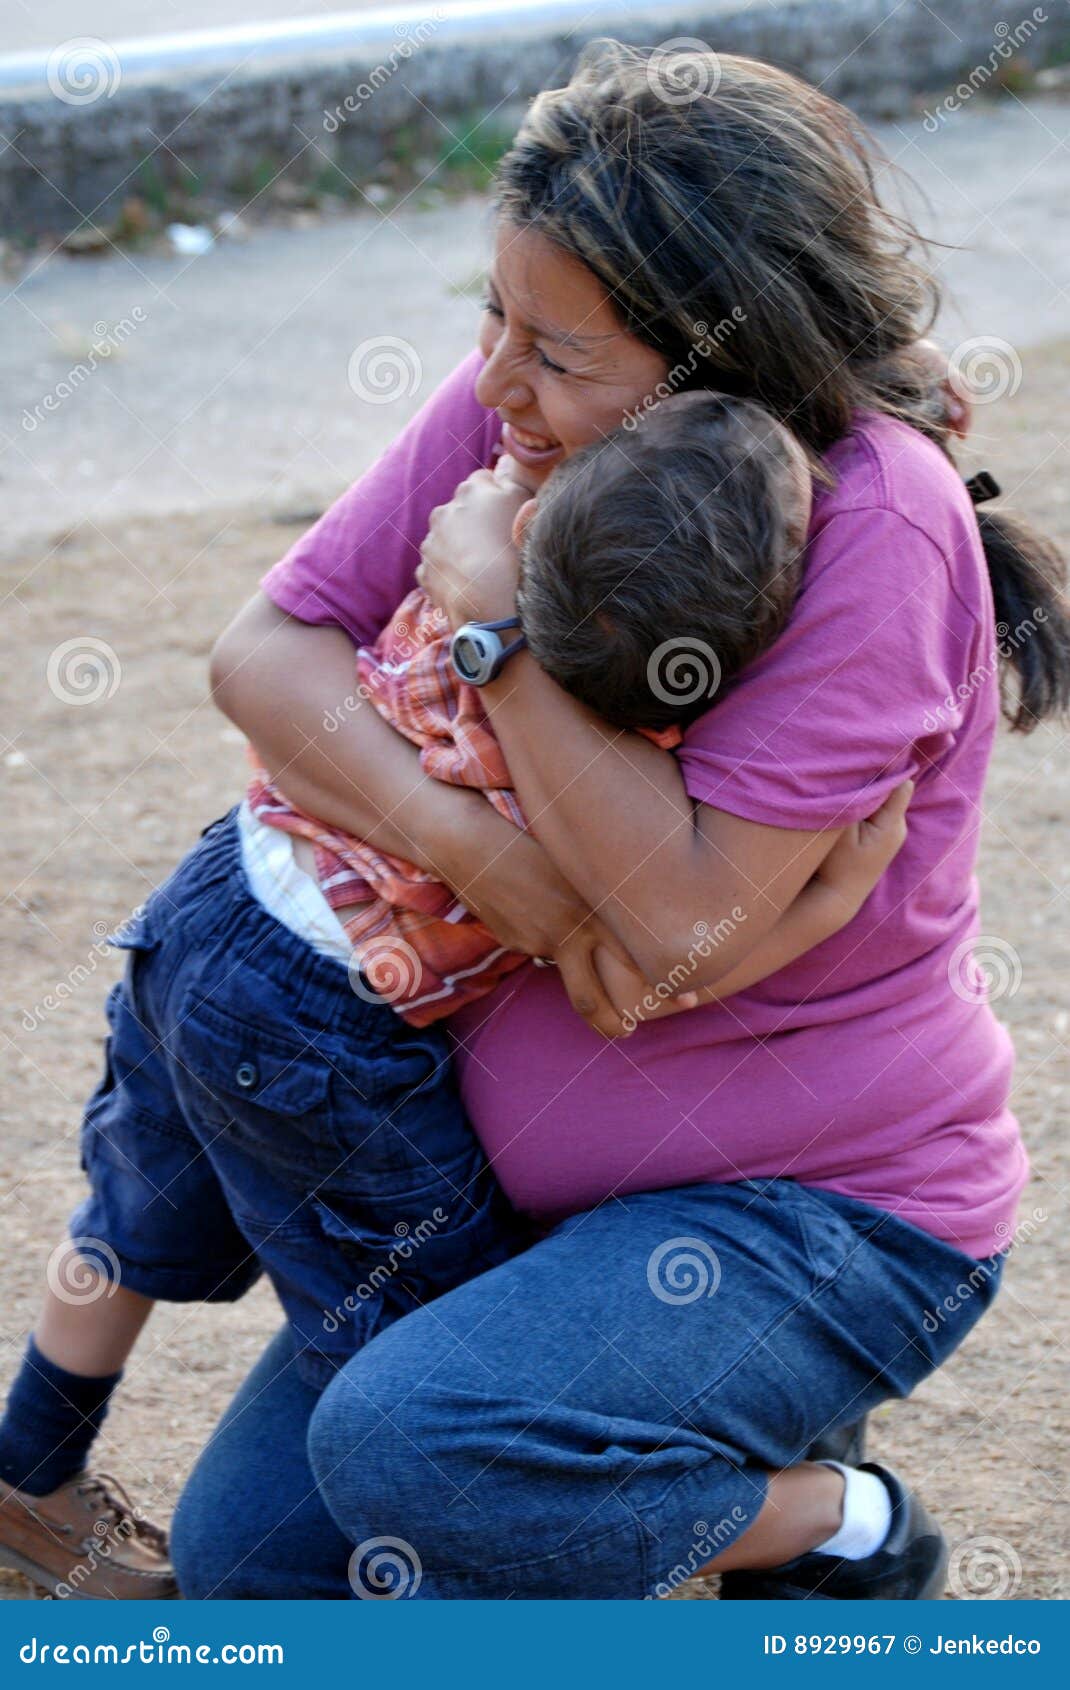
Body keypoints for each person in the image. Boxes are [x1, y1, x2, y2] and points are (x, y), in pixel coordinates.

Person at [167, 42, 1069, 1600]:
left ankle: (843, 1525)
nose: (498, 381)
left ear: (719, 356)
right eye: (491, 320)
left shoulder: (874, 522)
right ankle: (661, 1448)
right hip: (519, 1189)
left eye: (555, 349)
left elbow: (670, 931)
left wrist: (496, 632)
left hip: (816, 1206)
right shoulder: (539, 398)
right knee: (252, 1572)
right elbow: (262, 654)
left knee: (420, 1450)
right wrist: (486, 862)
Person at [0, 387, 903, 1600]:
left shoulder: (473, 579)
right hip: (319, 1015)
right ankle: (760, 1528)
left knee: (141, 1205)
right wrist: (825, 900)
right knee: (428, 1370)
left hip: (221, 893)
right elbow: (630, 976)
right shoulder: (611, 757)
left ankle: (25, 1472)